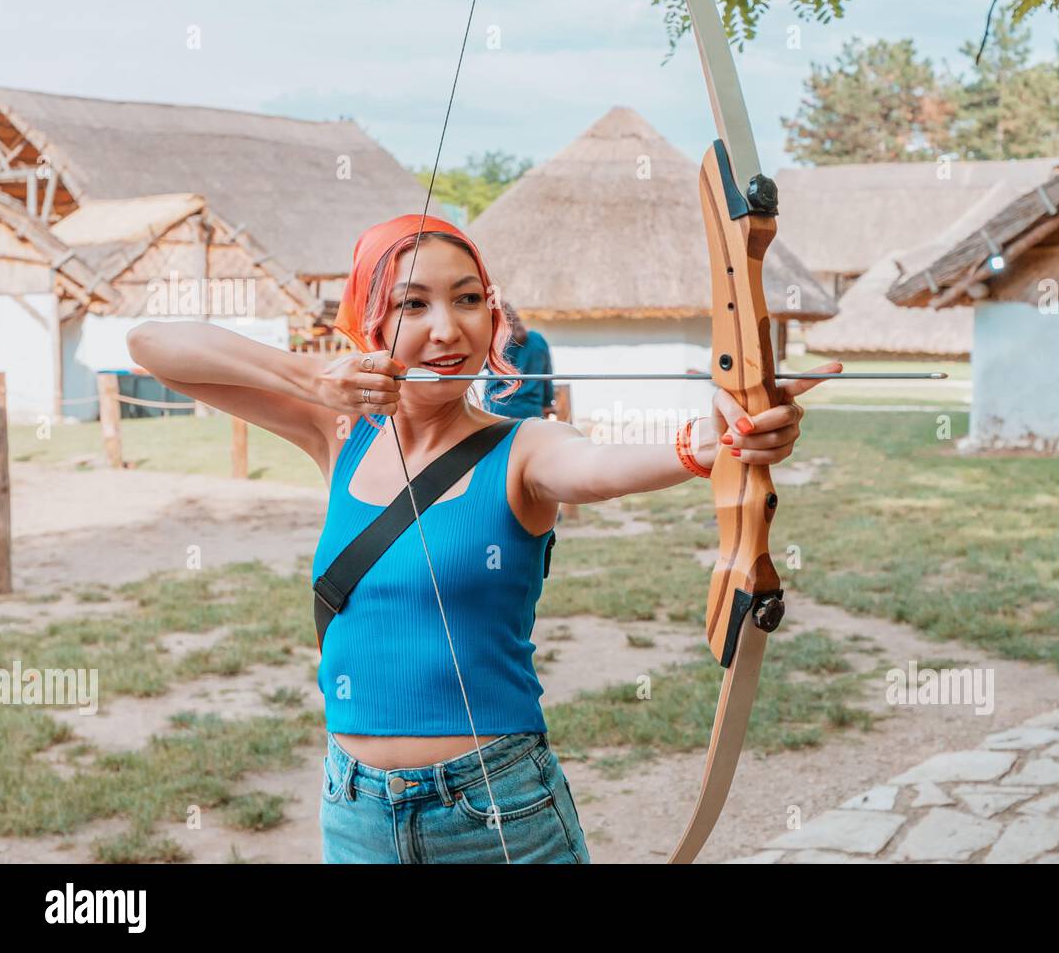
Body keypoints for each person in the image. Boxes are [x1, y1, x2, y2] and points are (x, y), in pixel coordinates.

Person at [126, 214, 836, 864]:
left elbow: (603, 468)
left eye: (468, 300)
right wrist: (312, 376)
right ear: (369, 322)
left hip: (497, 809)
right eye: (413, 303)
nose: (447, 328)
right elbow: (151, 345)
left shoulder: (525, 447)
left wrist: (716, 437)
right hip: (354, 808)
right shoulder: (338, 433)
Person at [483, 303, 554, 419]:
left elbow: (475, 367)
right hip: (531, 412)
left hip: (496, 410)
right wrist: (547, 403)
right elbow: (547, 377)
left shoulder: (493, 341)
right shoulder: (538, 340)